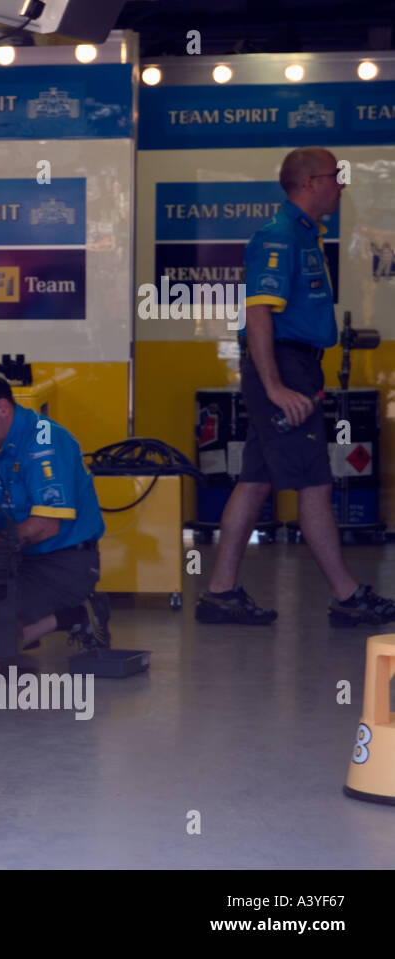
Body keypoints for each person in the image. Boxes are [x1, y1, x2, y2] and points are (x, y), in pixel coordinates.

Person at [197, 146, 395, 627]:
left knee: (256, 480)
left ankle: (219, 593)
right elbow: (258, 312)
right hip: (283, 370)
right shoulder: (278, 237)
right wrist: (276, 386)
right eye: (335, 176)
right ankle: (347, 597)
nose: (341, 184)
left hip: (296, 367)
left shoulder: (305, 235)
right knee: (314, 484)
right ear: (310, 182)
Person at [0, 371, 109, 655]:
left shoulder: (44, 441)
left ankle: (80, 614)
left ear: (2, 408)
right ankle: (15, 623)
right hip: (23, 560)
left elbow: (47, 525)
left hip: (66, 562)